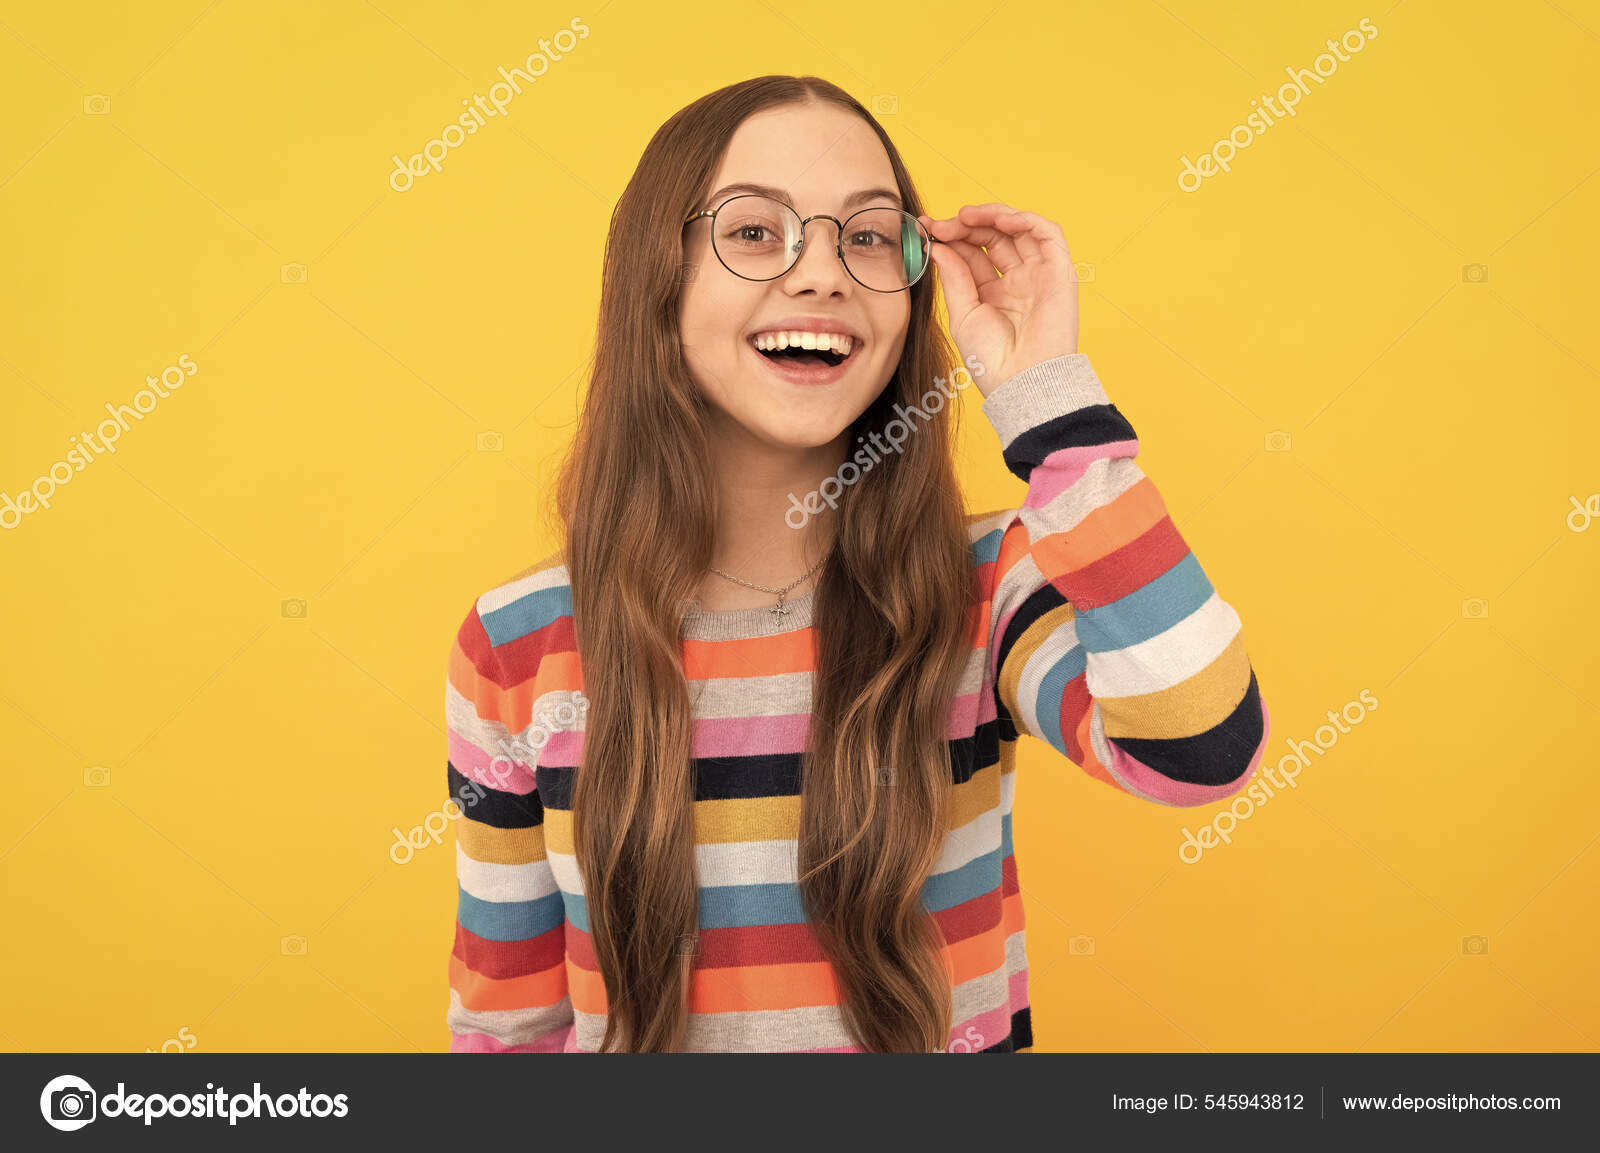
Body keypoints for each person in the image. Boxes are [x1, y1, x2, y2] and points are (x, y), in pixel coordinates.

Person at [443, 75, 1270, 1053]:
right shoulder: (517, 641)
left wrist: (1046, 400)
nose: (822, 273)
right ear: (653, 278)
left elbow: (1203, 746)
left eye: (869, 236)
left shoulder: (989, 590)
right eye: (755, 232)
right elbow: (510, 1021)